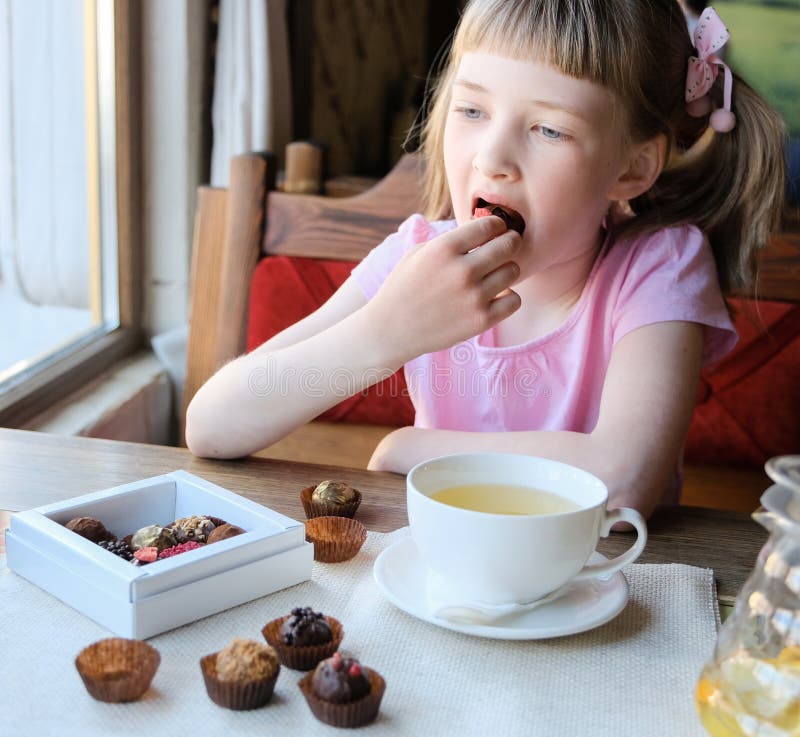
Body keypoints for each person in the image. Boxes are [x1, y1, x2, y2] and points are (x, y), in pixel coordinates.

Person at [186, 0, 785, 519]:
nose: (492, 157)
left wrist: (409, 448)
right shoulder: (413, 257)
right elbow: (211, 425)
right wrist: (383, 334)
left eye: (549, 129)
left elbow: (623, 481)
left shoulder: (658, 267)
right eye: (472, 111)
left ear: (632, 168)